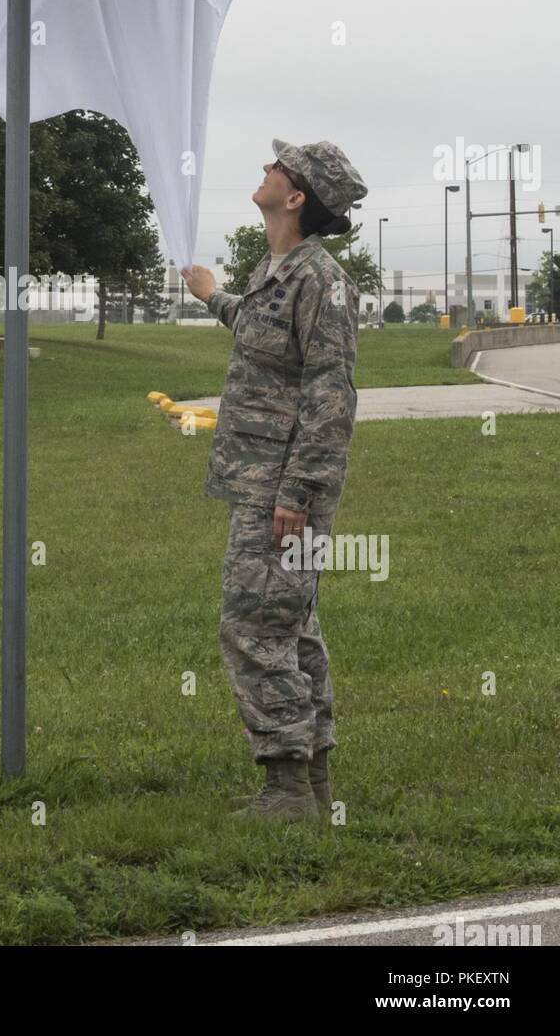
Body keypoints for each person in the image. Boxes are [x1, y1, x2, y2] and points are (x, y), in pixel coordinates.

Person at [182, 139, 367, 823]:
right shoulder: (277, 270)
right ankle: (310, 781)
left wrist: (299, 495)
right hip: (262, 480)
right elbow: (261, 332)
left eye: (277, 167)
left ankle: (286, 788)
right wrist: (212, 295)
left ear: (296, 198)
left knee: (254, 626)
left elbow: (330, 394)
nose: (264, 169)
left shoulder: (322, 279)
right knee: (293, 625)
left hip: (285, 491)